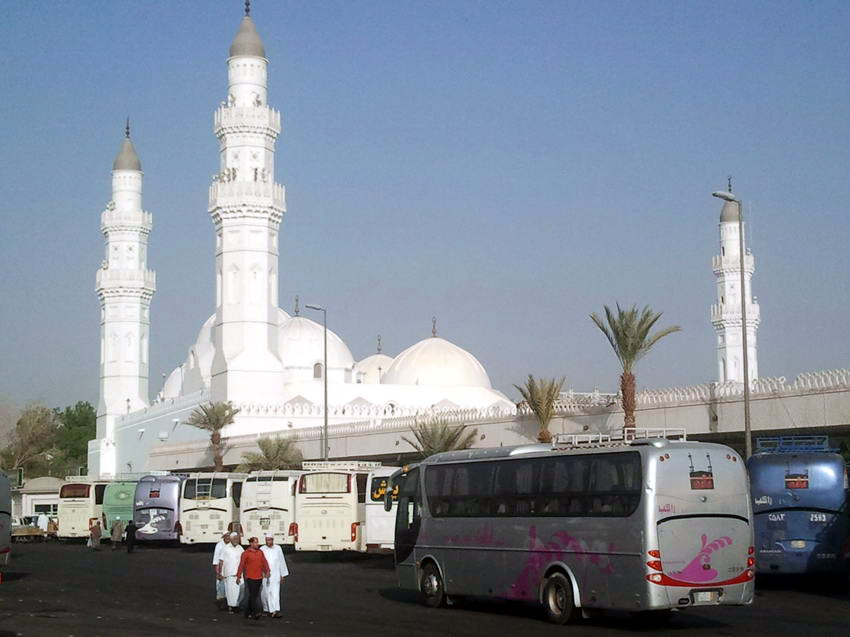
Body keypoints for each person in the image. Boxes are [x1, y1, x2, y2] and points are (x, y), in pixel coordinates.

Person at [236, 536, 270, 620]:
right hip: (250, 577)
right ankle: (256, 612)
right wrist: (238, 576)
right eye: (255, 542)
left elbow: (264, 562)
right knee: (253, 595)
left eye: (257, 542)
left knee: (253, 595)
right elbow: (241, 565)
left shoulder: (260, 552)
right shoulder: (246, 553)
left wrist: (267, 571)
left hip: (259, 577)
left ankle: (247, 612)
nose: (257, 544)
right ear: (251, 543)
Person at [260, 533, 289, 618]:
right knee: (266, 592)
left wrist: (282, 574)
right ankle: (267, 609)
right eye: (267, 540)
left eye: (269, 540)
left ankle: (275, 610)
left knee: (275, 592)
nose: (268, 542)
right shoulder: (262, 549)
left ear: (272, 540)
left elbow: (281, 561)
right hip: (265, 575)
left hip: (276, 574)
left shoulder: (278, 548)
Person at [218, 532, 244, 613]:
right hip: (229, 573)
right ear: (231, 539)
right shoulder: (225, 548)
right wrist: (220, 573)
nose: (236, 540)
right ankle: (232, 607)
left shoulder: (240, 548)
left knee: (241, 589)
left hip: (239, 573)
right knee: (230, 591)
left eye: (237, 538)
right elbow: (221, 561)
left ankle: (237, 604)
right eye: (235, 538)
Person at [212, 531, 230, 610]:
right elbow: (216, 559)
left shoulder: (231, 545)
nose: (228, 538)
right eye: (227, 536)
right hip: (221, 568)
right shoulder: (219, 545)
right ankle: (221, 603)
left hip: (229, 568)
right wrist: (218, 572)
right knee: (220, 586)